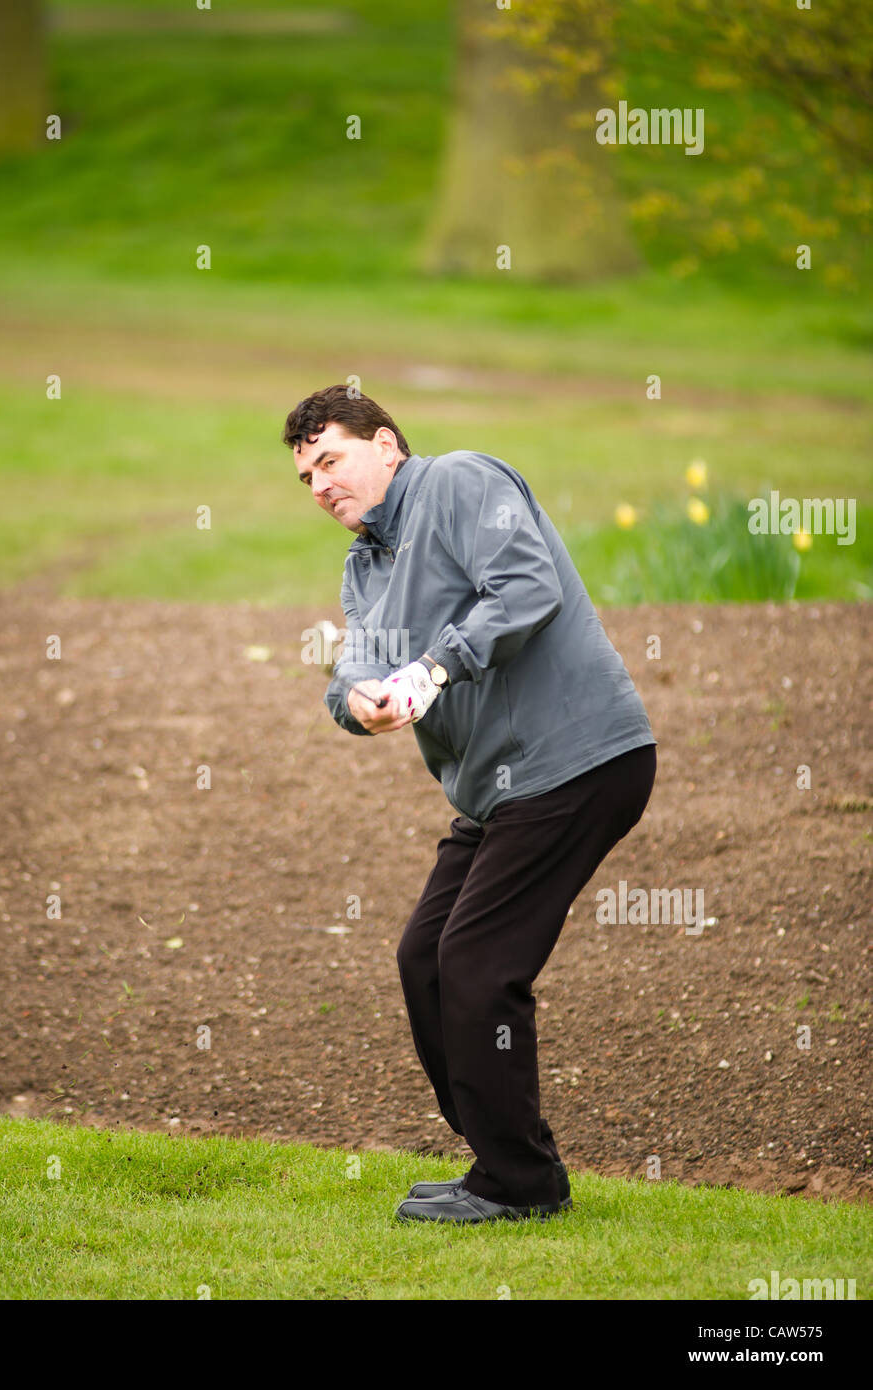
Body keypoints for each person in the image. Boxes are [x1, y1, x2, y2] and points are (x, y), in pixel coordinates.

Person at [283, 385, 657, 1226]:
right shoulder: (364, 569)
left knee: (480, 964)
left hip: (575, 758)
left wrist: (435, 668)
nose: (320, 486)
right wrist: (363, 705)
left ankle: (518, 1184)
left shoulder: (458, 483)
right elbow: (349, 680)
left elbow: (526, 588)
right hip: (501, 793)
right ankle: (506, 1163)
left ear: (386, 445)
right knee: (426, 958)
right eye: (306, 476)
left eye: (331, 460)